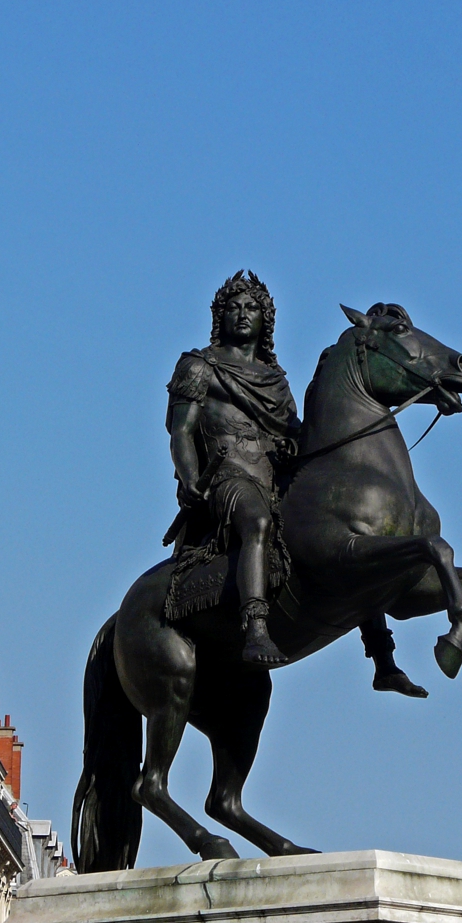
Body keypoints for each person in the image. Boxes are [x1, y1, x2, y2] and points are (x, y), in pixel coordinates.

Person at [165, 271, 300, 667]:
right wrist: (190, 477)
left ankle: (380, 650)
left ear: (265, 319)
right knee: (257, 522)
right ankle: (255, 628)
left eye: (252, 308)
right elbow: (181, 432)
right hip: (228, 478)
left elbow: (293, 432)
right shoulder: (199, 366)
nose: (242, 314)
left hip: (272, 478)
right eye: (234, 307)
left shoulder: (276, 381)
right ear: (219, 317)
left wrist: (291, 446)